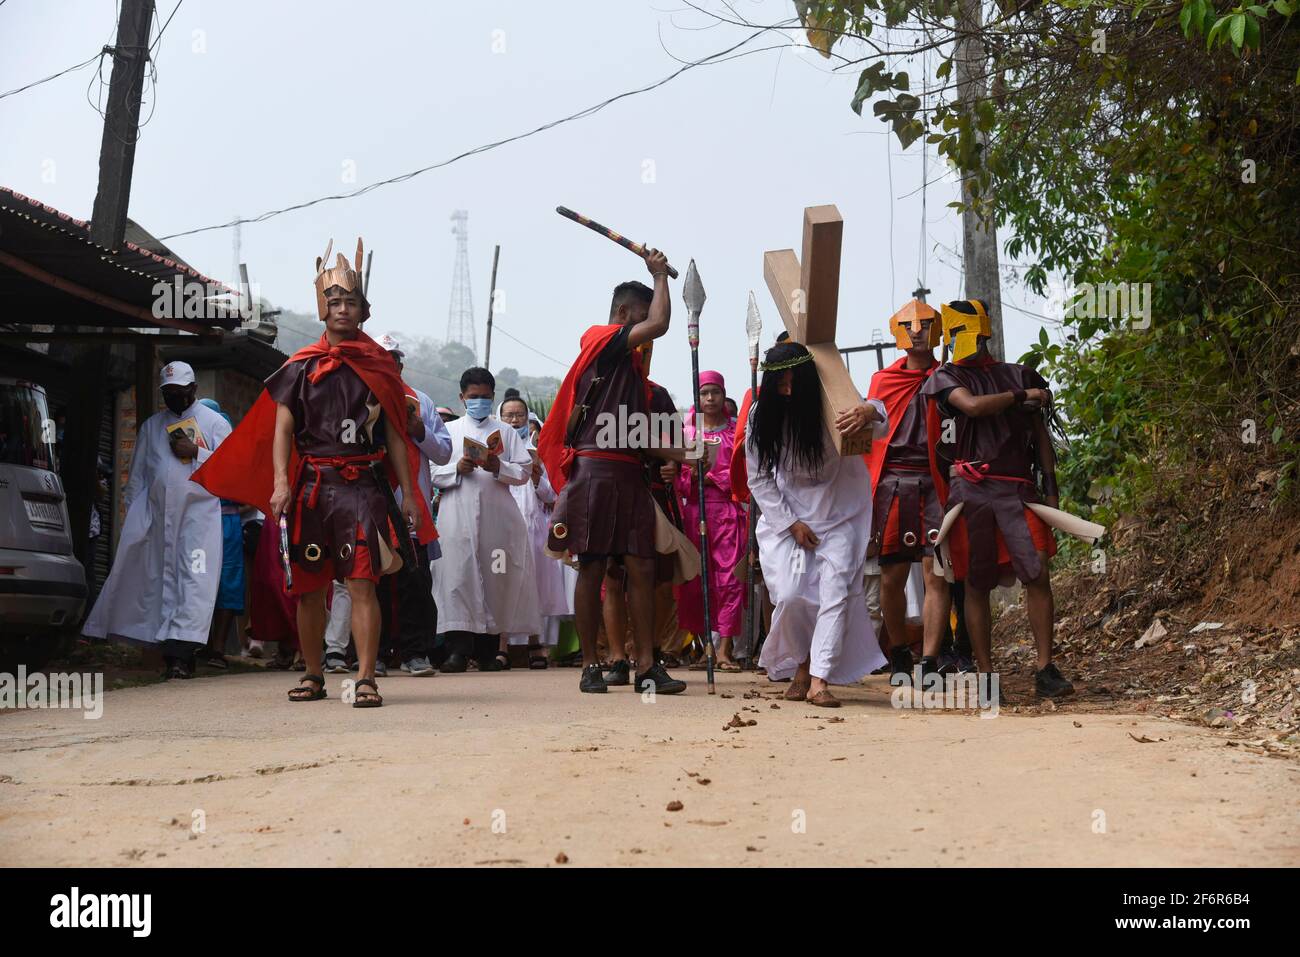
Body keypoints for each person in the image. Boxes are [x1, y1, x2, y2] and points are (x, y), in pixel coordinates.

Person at [194, 238, 435, 708]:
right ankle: (312, 673)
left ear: (364, 311)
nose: (341, 308)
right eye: (334, 300)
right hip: (312, 488)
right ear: (322, 307)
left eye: (350, 302)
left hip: (362, 487)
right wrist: (281, 482)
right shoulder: (300, 366)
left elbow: (392, 438)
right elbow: (283, 428)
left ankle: (366, 677)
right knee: (309, 587)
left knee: (363, 583)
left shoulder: (380, 366)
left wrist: (408, 493)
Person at [537, 250, 688, 695]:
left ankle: (646, 667)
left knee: (641, 566)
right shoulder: (602, 340)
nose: (647, 337)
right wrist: (660, 275)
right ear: (623, 315)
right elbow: (660, 322)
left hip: (629, 474)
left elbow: (635, 435)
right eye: (638, 323)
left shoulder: (634, 375)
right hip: (595, 472)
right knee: (595, 566)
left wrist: (684, 454)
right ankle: (590, 665)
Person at [922, 299, 1073, 698]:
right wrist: (1019, 395)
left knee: (1038, 572)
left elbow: (1041, 437)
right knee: (977, 582)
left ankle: (1045, 669)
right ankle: (987, 677)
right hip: (971, 492)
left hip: (1020, 489)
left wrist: (1052, 492)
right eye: (955, 331)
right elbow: (970, 407)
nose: (962, 338)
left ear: (985, 328)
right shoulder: (944, 378)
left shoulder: (1018, 372)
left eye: (966, 328)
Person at [746, 341, 889, 707]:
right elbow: (759, 479)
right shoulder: (761, 415)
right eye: (781, 384)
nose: (788, 390)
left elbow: (879, 416)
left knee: (834, 594)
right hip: (789, 519)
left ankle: (818, 678)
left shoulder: (834, 403)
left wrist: (868, 412)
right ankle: (800, 664)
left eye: (795, 382)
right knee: (792, 596)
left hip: (842, 514)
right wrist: (791, 524)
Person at [83, 362, 232, 679]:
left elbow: (233, 469)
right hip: (157, 517)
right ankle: (162, 650)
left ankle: (182, 653)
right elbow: (137, 477)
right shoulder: (152, 427)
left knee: (194, 581)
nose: (173, 398)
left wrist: (196, 452)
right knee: (154, 581)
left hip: (197, 519)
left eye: (179, 392)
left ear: (193, 389)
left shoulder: (214, 423)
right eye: (168, 393)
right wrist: (132, 517)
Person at [430, 368, 541, 672]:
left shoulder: (504, 432)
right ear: (461, 397)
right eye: (473, 397)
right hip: (456, 513)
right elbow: (430, 474)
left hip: (497, 519)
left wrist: (497, 465)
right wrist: (457, 469)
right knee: (456, 578)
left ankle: (489, 651)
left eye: (484, 397)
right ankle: (456, 650)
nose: (478, 401)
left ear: (493, 397)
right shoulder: (448, 431)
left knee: (496, 579)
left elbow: (523, 472)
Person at [865, 300, 951, 685]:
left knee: (938, 573)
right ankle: (899, 651)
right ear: (899, 331)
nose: (917, 329)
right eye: (909, 324)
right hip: (894, 482)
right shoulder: (882, 380)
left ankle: (931, 659)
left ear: (939, 329)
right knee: (892, 576)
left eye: (925, 323)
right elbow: (872, 436)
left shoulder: (949, 377)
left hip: (937, 482)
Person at [374, 334, 452, 677]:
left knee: (415, 579)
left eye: (394, 359)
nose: (389, 365)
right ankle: (373, 653)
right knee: (372, 579)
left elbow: (445, 453)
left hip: (412, 504)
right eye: (382, 358)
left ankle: (415, 653)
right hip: (373, 500)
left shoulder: (420, 401)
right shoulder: (361, 398)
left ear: (401, 365)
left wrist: (420, 430)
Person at [666, 370, 746, 671]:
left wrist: (711, 478)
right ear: (696, 398)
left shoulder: (737, 431)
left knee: (729, 580)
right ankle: (705, 648)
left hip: (727, 513)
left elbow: (743, 473)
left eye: (715, 392)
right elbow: (680, 480)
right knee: (696, 581)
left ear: (724, 394)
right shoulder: (686, 435)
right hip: (695, 514)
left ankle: (725, 649)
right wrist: (691, 477)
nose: (710, 398)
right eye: (704, 393)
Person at [499, 392, 572, 667]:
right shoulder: (495, 447)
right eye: (509, 415)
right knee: (502, 585)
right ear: (501, 418)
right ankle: (501, 646)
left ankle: (535, 644)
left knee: (536, 587)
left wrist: (538, 475)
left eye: (519, 415)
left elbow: (552, 496)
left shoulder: (538, 451)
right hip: (503, 528)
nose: (515, 419)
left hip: (534, 529)